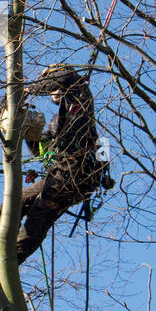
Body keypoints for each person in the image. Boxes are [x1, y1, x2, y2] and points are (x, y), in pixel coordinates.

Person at [17, 65, 108, 263]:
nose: (50, 91)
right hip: (61, 172)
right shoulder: (58, 120)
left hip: (75, 170)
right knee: (19, 200)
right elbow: (43, 150)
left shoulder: (80, 93)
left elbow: (64, 77)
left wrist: (24, 90)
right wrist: (28, 134)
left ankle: (11, 258)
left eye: (52, 87)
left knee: (38, 217)